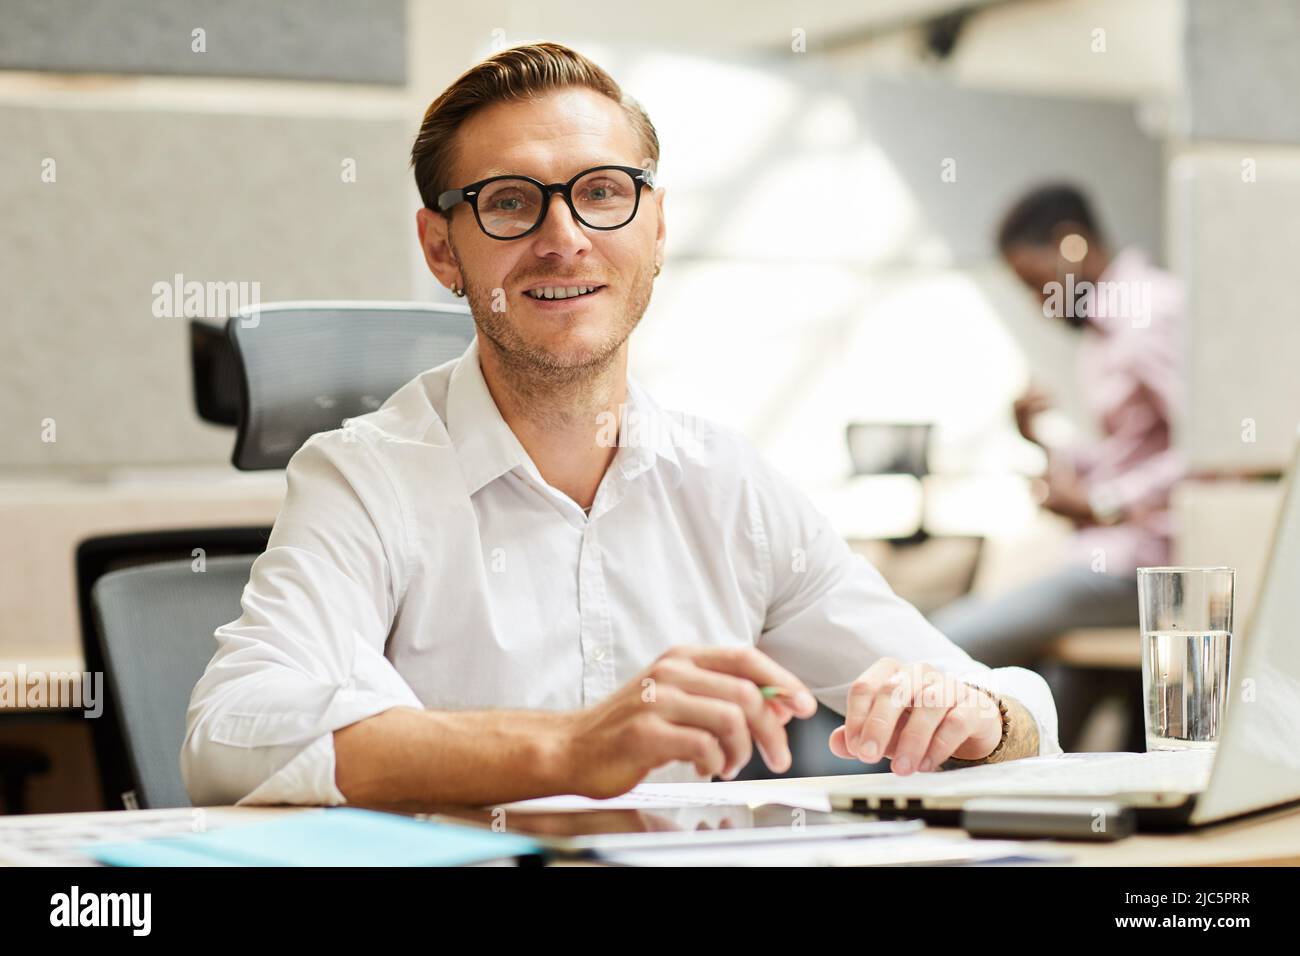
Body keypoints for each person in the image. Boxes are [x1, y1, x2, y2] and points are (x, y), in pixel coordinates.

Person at [182, 43, 1060, 808]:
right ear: (442, 247)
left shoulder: (726, 484)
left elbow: (989, 701)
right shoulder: (364, 479)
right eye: (510, 202)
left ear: (658, 226)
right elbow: (228, 736)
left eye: (603, 192)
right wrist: (568, 748)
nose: (564, 237)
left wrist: (981, 717)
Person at [929, 184, 1184, 736]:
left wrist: (1104, 503)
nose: (1038, 304)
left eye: (1035, 283)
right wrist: (1041, 442)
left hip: (1150, 572)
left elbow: (1212, 454)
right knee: (1047, 714)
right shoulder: (1107, 330)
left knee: (938, 646)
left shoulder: (1154, 313)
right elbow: (1135, 455)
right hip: (1113, 559)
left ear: (1071, 246)